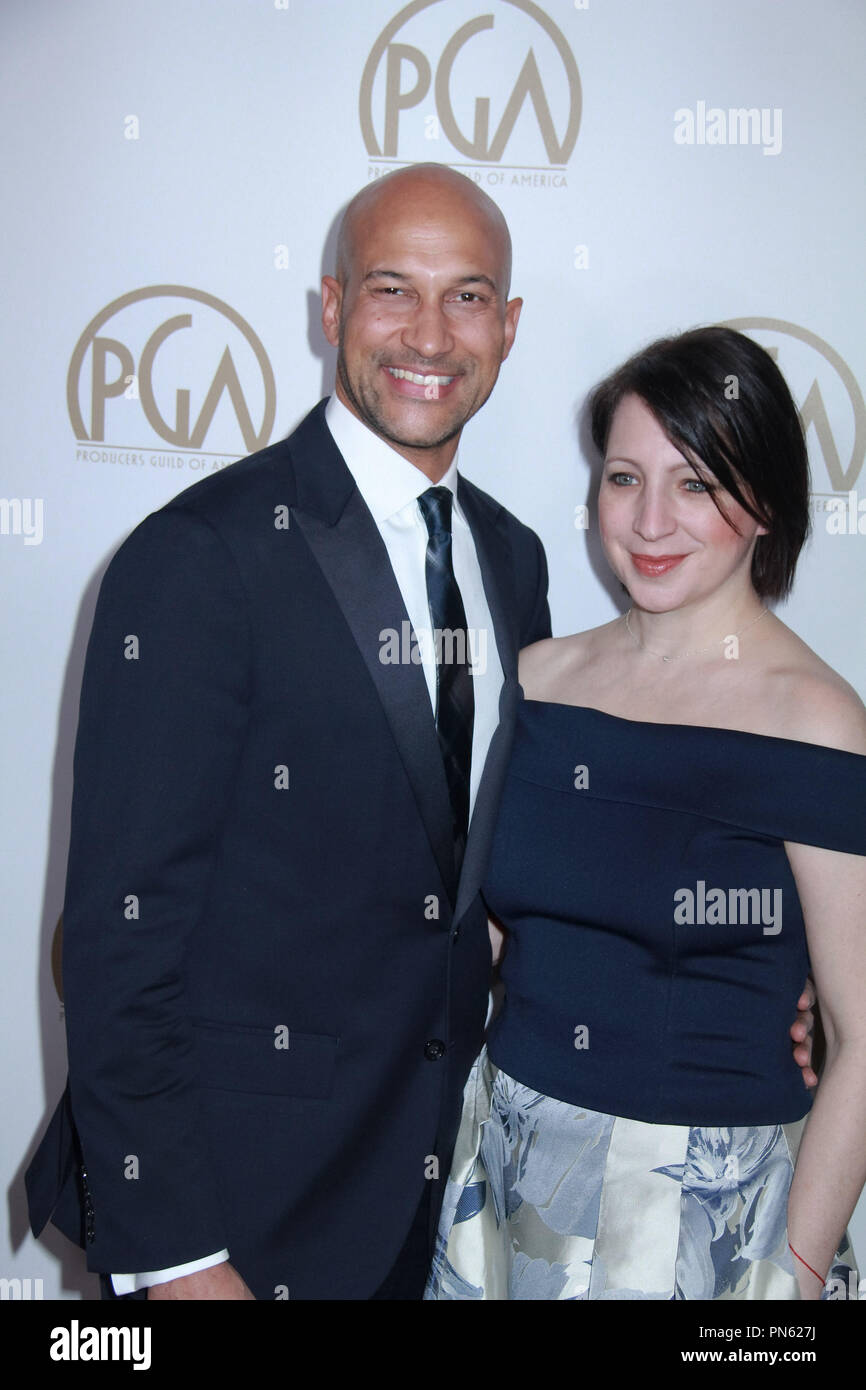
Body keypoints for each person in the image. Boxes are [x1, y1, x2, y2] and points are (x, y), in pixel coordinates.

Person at [24, 163, 553, 1301]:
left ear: (508, 328)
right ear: (328, 308)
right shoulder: (201, 556)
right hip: (235, 1215)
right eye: (388, 289)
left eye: (466, 297)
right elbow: (121, 937)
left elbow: (483, 889)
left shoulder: (511, 559)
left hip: (437, 1208)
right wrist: (178, 1261)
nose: (428, 332)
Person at [425, 326, 863, 1301]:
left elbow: (861, 1032)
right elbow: (488, 941)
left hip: (708, 1218)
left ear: (764, 508)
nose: (651, 519)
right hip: (504, 1177)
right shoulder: (540, 678)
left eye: (696, 483)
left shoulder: (815, 722)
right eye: (625, 478)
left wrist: (786, 1271)